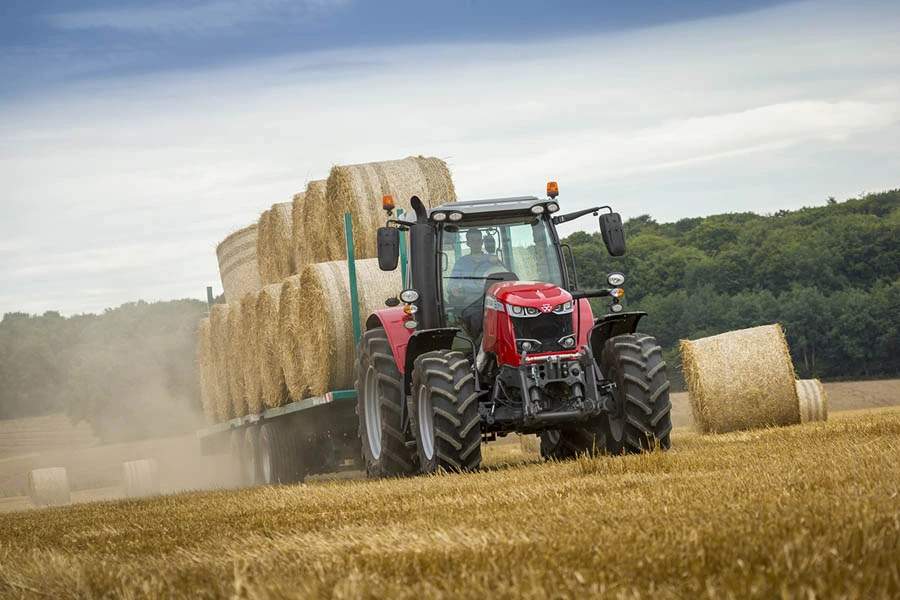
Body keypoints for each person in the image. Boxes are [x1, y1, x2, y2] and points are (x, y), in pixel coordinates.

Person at [447, 229, 501, 337]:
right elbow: (451, 285)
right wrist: (454, 288)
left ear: (482, 242)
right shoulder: (461, 262)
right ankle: (478, 344)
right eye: (472, 240)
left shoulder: (493, 260)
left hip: (493, 298)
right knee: (477, 318)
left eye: (478, 240)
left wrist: (497, 263)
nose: (476, 243)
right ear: (468, 243)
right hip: (471, 300)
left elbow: (506, 277)